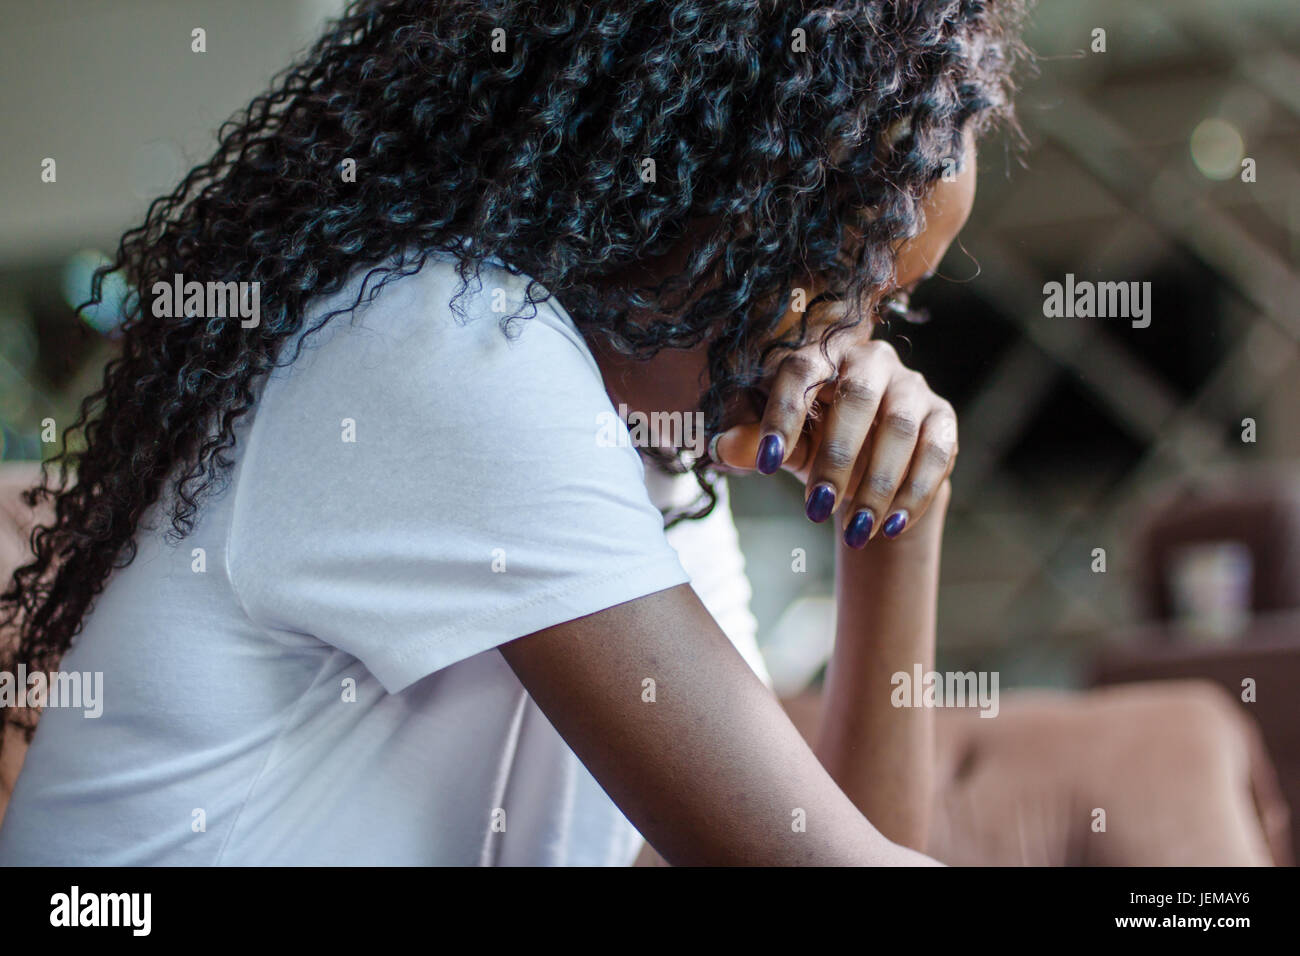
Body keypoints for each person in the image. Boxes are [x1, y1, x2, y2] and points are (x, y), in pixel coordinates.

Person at [0, 0, 1030, 865]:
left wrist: (897, 518)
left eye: (883, 307)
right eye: (825, 282)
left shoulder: (647, 452)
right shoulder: (449, 346)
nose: (840, 352)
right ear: (683, 179)